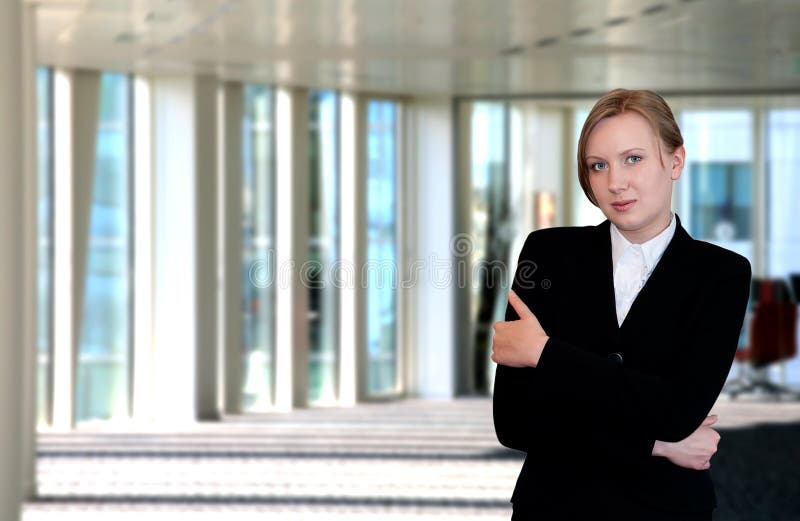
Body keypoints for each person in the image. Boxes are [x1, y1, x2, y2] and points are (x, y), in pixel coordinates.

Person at [491, 88, 751, 521]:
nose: (615, 182)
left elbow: (677, 410)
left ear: (675, 161)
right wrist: (657, 444)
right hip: (553, 508)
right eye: (599, 165)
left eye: (634, 159)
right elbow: (515, 420)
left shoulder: (720, 274)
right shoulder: (548, 253)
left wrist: (545, 354)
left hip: (665, 510)